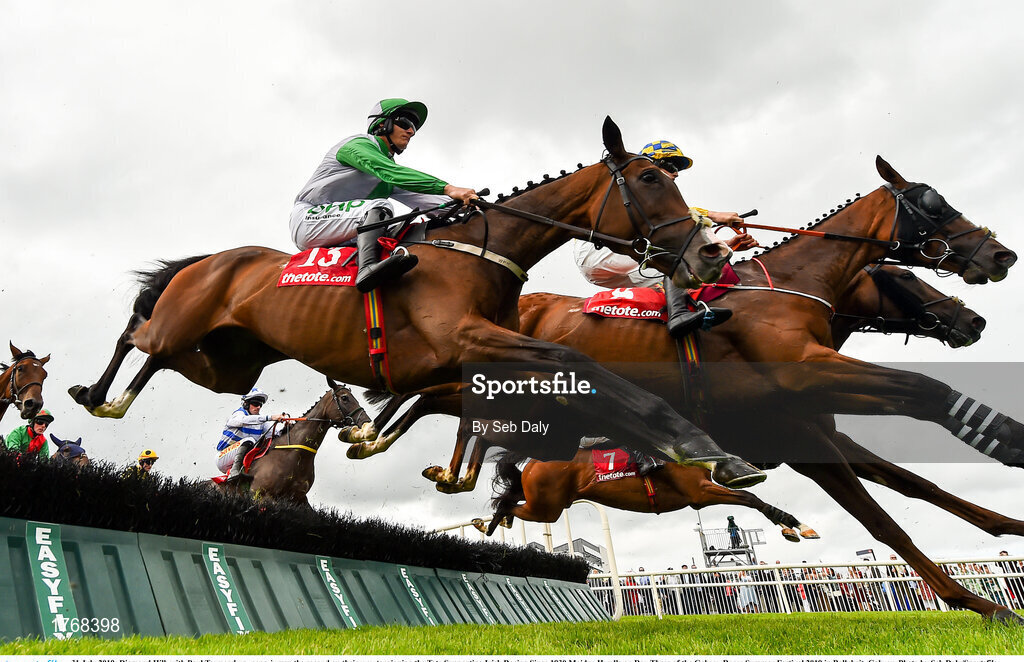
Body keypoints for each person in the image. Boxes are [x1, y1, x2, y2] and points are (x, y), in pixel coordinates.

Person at [290, 98, 479, 292]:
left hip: (341, 227)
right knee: (380, 206)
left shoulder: (389, 174)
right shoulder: (358, 145)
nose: (411, 131)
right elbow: (391, 172)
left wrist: (475, 206)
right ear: (382, 124)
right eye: (405, 123)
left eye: (414, 127)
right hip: (308, 220)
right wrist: (449, 188)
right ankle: (367, 268)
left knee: (401, 229)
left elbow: (430, 201)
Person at [573, 140, 759, 336]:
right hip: (598, 249)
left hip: (611, 262)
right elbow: (676, 219)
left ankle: (676, 319)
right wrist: (715, 215)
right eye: (672, 166)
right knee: (678, 256)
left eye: (678, 169)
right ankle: (678, 314)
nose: (676, 173)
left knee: (684, 281)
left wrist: (725, 245)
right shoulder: (632, 185)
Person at [218, 387, 287, 483]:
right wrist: (271, 417)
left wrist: (287, 427)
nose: (258, 407)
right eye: (255, 403)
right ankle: (233, 472)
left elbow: (275, 433)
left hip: (244, 458)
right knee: (249, 440)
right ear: (246, 404)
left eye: (260, 404)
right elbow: (244, 420)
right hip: (223, 458)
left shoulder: (261, 421)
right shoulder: (238, 414)